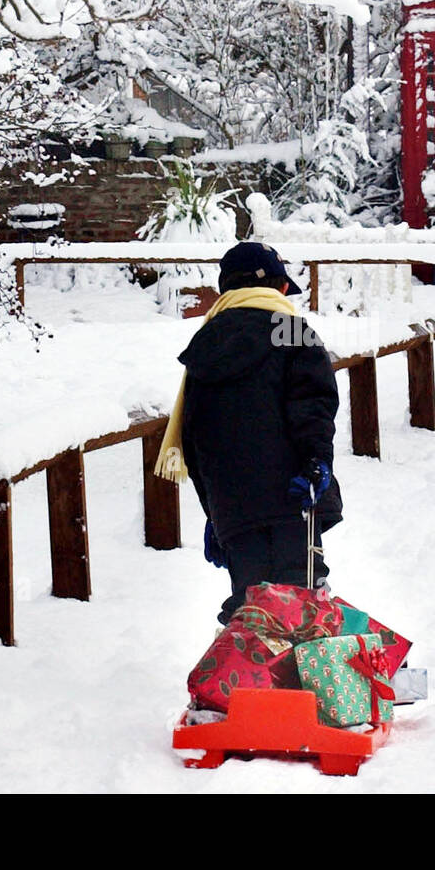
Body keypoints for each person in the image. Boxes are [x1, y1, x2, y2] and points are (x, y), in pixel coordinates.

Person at [153, 240, 343, 624]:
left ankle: (249, 681)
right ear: (282, 287)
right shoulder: (292, 330)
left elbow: (196, 438)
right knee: (301, 610)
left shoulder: (206, 343)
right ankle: (298, 683)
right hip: (293, 499)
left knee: (252, 610)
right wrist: (317, 464)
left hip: (234, 510)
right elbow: (314, 407)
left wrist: (215, 514)